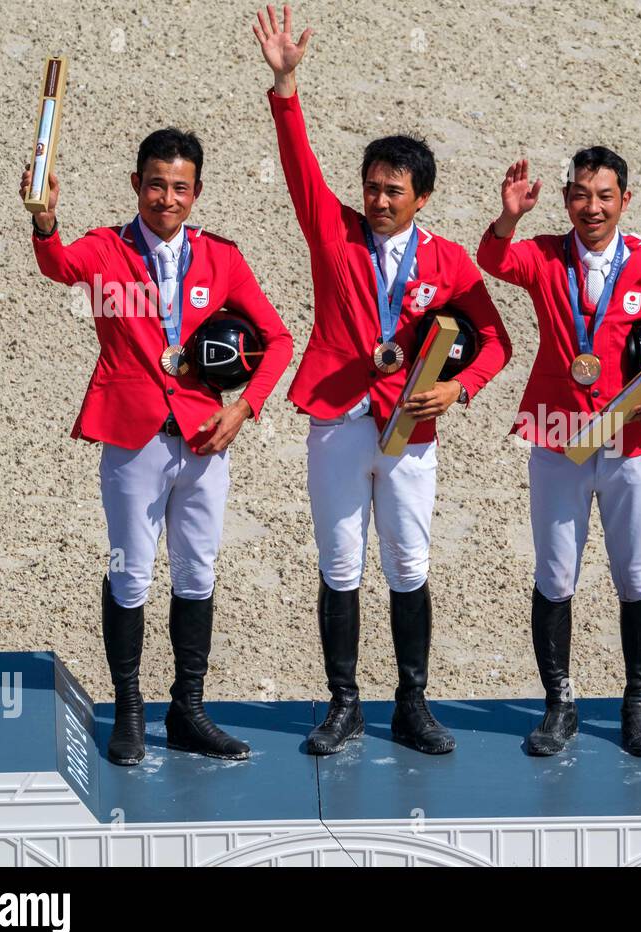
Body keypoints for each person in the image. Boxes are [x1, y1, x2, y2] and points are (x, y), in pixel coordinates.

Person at [253, 5, 512, 755]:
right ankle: (343, 704)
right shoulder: (331, 231)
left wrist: (460, 390)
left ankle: (412, 703)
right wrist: (287, 82)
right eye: (371, 186)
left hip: (411, 428)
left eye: (393, 190)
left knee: (407, 563)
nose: (378, 199)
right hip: (337, 418)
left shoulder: (450, 262)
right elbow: (299, 162)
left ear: (421, 197)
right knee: (339, 563)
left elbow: (495, 341)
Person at [20, 128, 294, 765]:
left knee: (197, 573)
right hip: (133, 434)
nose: (165, 198)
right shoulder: (106, 248)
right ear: (135, 184)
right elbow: (59, 267)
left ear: (195, 193)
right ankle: (131, 709)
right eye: (155, 184)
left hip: (203, 436)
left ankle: (188, 710)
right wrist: (46, 221)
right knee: (131, 572)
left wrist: (244, 406)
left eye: (179, 187)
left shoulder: (222, 258)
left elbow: (278, 339)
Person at [477, 151, 641, 757]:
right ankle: (558, 704)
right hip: (558, 434)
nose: (593, 208)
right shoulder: (542, 255)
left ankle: (636, 705)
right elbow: (491, 260)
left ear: (625, 199)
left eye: (605, 196)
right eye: (581, 195)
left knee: (636, 573)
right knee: (555, 573)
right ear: (566, 198)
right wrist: (508, 217)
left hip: (633, 442)